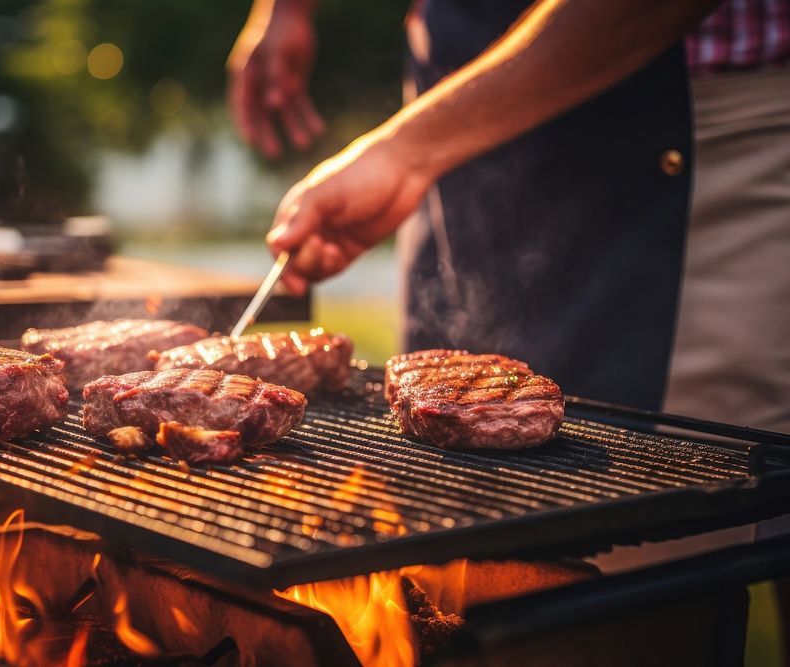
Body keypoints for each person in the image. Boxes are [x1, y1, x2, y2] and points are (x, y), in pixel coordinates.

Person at [228, 0, 790, 657]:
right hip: (457, 110)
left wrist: (409, 150)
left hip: (694, 118)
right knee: (452, 556)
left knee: (631, 592)